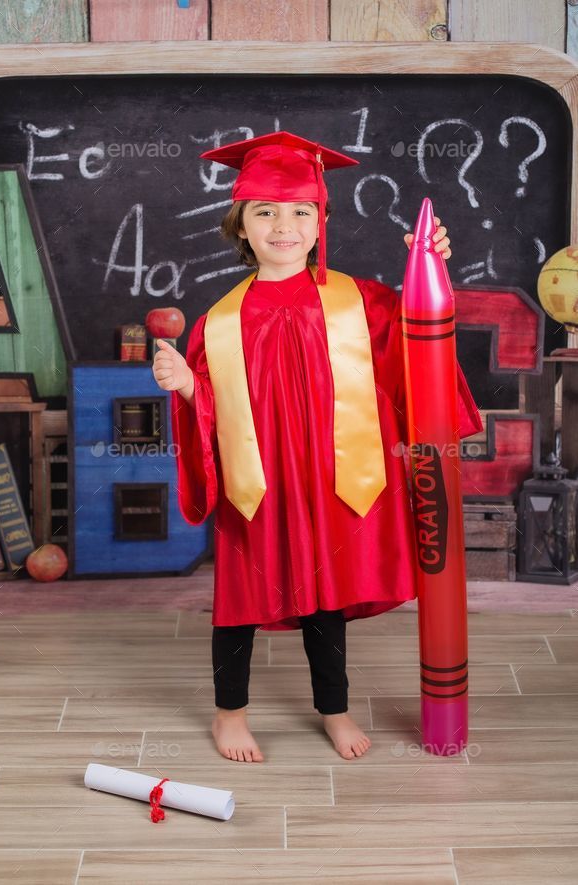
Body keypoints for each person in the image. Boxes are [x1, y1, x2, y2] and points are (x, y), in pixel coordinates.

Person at [152, 131, 482, 764]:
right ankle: (230, 716)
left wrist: (430, 268)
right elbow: (216, 415)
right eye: (266, 212)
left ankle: (334, 710)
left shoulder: (364, 303)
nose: (285, 225)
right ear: (241, 226)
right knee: (239, 602)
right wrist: (189, 386)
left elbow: (420, 349)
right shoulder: (219, 321)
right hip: (259, 485)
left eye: (301, 211)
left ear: (321, 220)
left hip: (330, 481)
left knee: (325, 597)